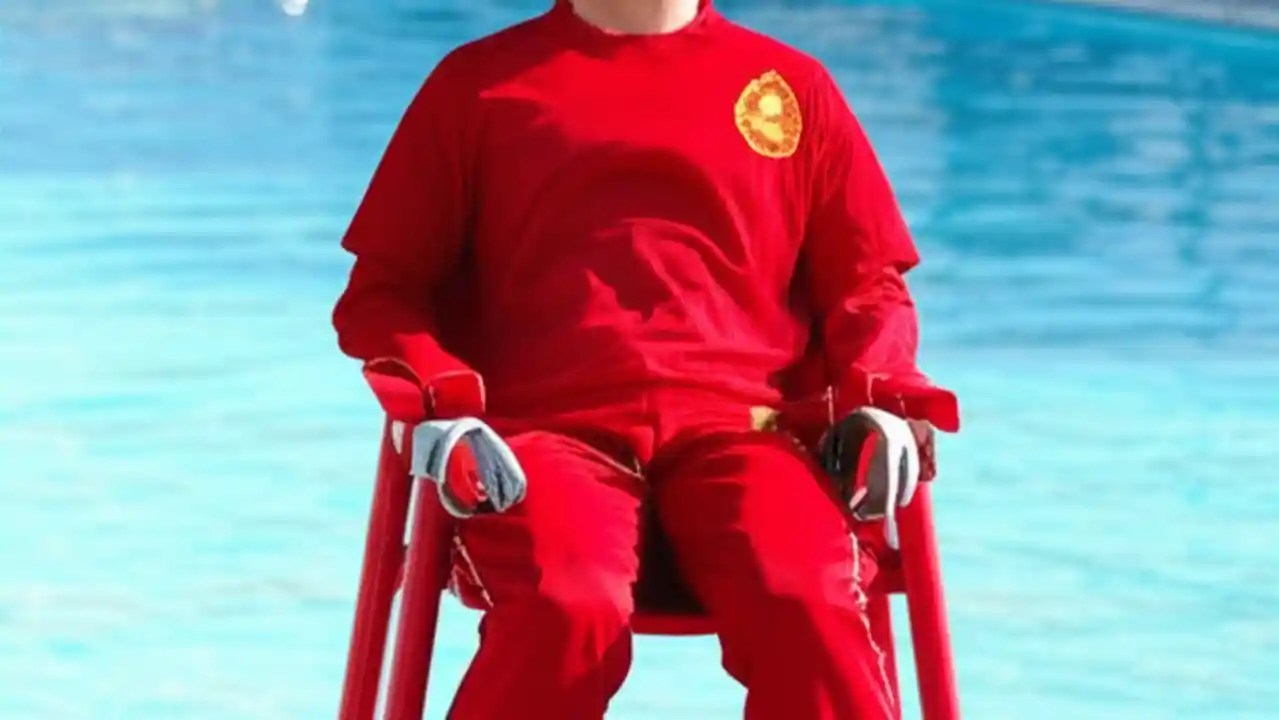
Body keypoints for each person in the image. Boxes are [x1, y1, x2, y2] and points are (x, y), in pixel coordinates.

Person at [332, 0, 959, 717]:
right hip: (545, 437)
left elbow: (867, 285)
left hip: (746, 434)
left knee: (805, 596)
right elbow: (386, 293)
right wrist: (444, 405)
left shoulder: (793, 86)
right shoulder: (477, 85)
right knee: (567, 604)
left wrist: (879, 391)